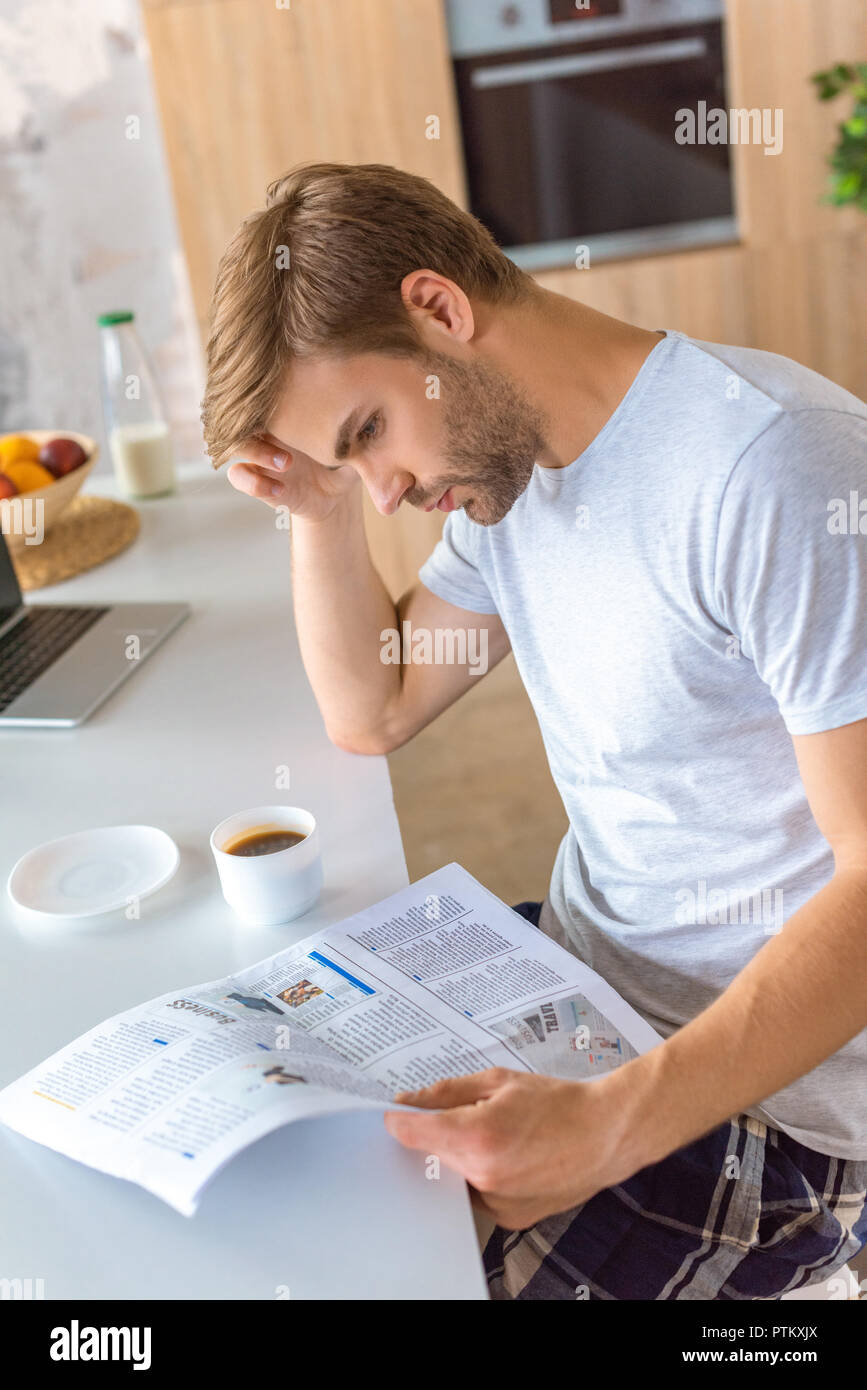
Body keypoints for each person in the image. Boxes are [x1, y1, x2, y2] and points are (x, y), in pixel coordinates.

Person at [201, 162, 867, 1300]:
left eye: (370, 431)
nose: (389, 489)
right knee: (262, 1196)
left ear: (443, 310)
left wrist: (610, 1126)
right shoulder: (514, 476)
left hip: (774, 1106)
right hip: (577, 988)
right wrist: (314, 508)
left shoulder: (773, 467)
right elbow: (379, 705)